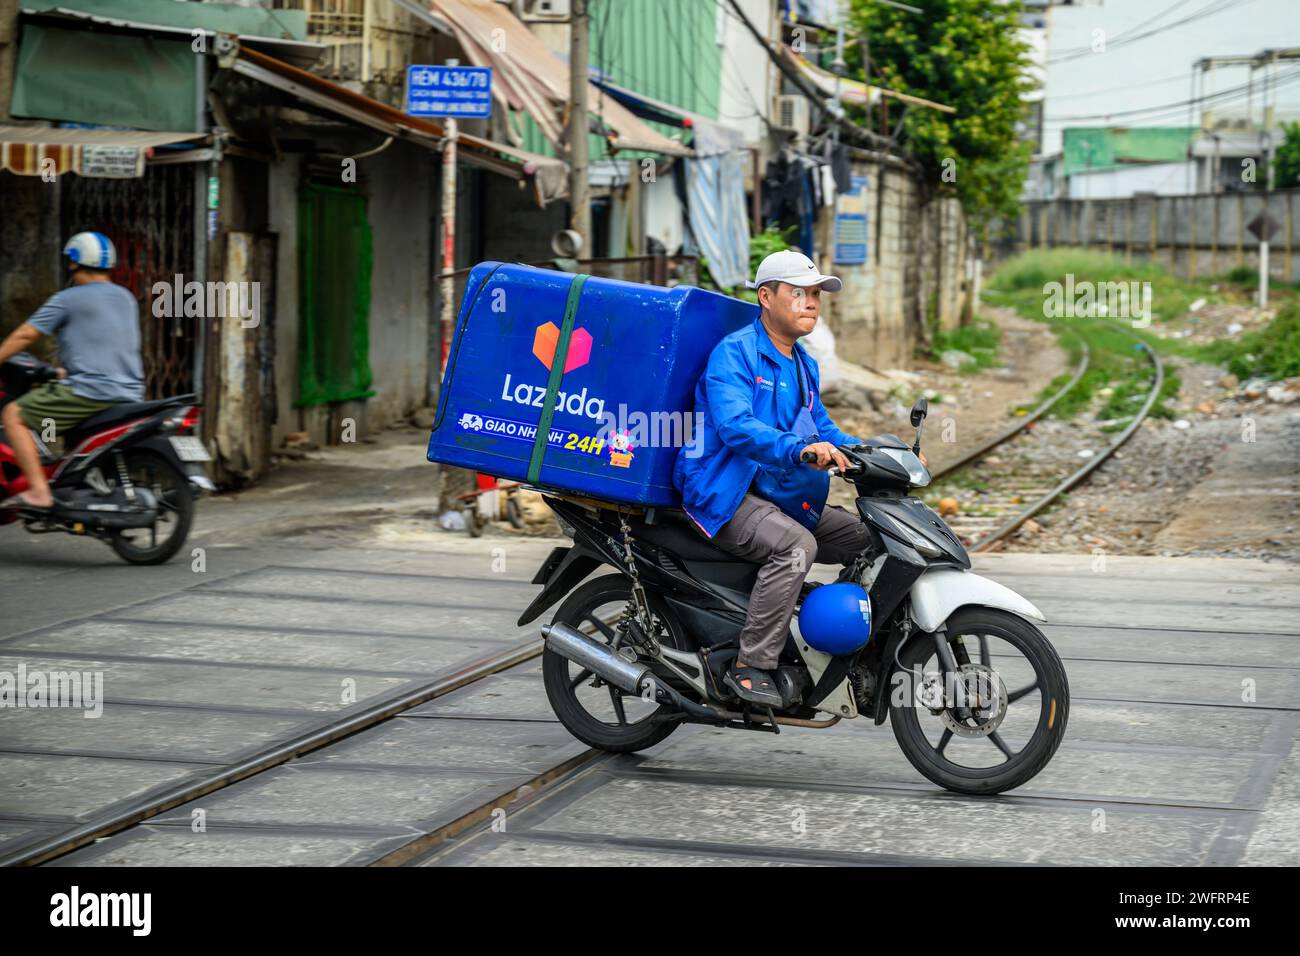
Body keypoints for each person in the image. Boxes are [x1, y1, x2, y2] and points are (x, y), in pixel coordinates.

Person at [674, 249, 910, 707]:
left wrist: (876, 452)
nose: (812, 303)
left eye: (817, 294)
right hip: (726, 490)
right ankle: (751, 666)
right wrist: (799, 449)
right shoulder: (735, 354)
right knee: (794, 547)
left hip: (778, 492)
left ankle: (837, 638)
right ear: (766, 296)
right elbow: (735, 426)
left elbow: (822, 427)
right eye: (799, 293)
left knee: (873, 537)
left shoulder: (804, 364)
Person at [0, 232, 144, 510]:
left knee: (14, 415)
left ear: (75, 262)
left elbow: (26, 335)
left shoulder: (68, 298)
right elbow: (103, 340)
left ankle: (39, 492)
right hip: (130, 392)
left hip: (91, 392)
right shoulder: (125, 297)